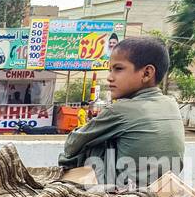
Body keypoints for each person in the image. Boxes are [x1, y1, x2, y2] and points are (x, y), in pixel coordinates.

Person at [58, 35, 185, 189]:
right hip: (166, 188)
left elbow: (71, 145)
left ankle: (73, 182)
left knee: (91, 143)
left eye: (118, 69)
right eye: (110, 70)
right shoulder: (171, 103)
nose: (110, 78)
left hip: (126, 191)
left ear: (147, 73)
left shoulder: (120, 110)